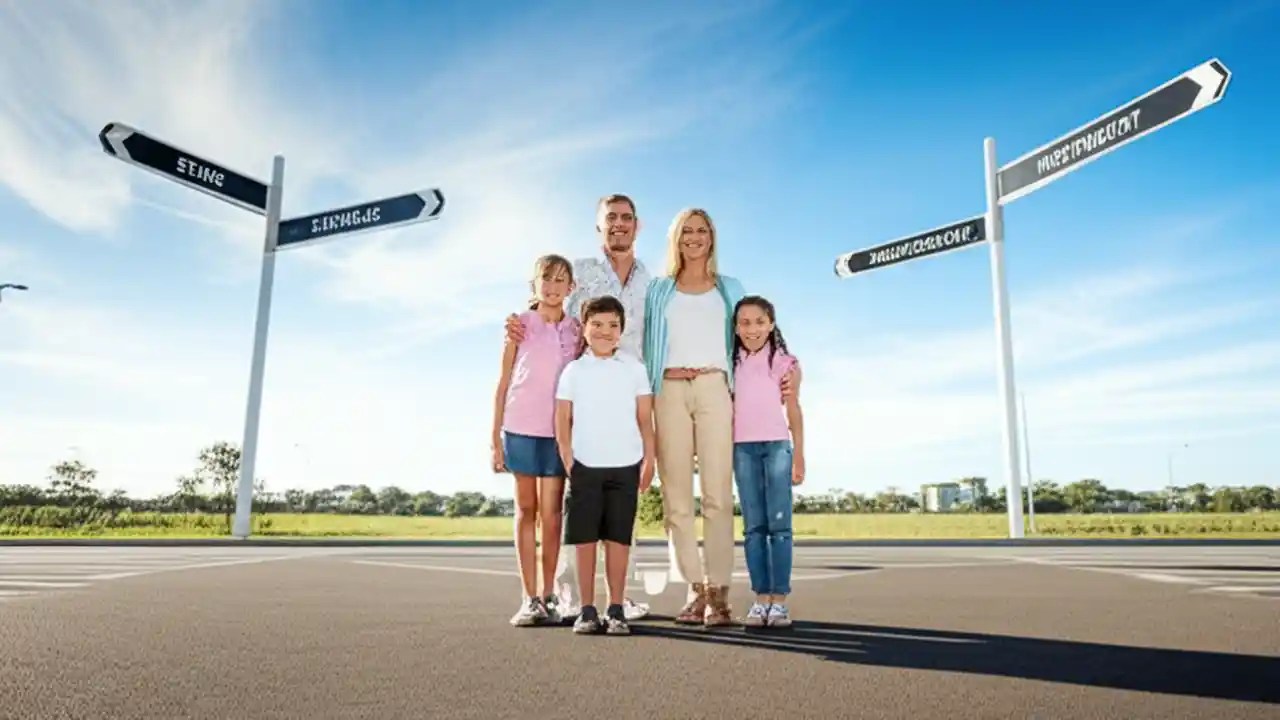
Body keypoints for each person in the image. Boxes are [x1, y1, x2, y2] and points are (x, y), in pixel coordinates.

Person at [643, 208, 801, 626]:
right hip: (669, 391)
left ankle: (719, 592)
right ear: (675, 239)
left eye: (702, 231)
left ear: (711, 238)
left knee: (717, 497)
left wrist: (784, 374)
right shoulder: (659, 290)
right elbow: (642, 342)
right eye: (686, 231)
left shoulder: (730, 288)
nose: (694, 238)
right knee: (677, 501)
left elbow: (755, 334)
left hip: (716, 389)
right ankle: (694, 590)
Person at [505, 193, 652, 622]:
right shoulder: (581, 271)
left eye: (626, 218)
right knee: (575, 501)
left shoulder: (651, 280)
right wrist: (519, 320)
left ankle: (620, 598)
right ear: (599, 226)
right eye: (611, 219)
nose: (619, 224)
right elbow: (549, 303)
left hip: (626, 393)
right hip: (576, 395)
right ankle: (565, 595)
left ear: (637, 225)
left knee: (620, 502)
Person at [554, 295, 656, 635]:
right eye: (596, 324)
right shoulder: (573, 371)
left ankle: (616, 607)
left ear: (622, 330)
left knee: (618, 540)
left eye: (613, 325)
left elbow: (645, 419)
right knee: (584, 541)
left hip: (625, 466)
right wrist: (569, 458)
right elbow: (562, 419)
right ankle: (587, 609)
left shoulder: (634, 369)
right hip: (585, 466)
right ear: (584, 328)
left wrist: (649, 459)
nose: (605, 331)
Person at [491, 254, 581, 626]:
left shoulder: (576, 329)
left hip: (558, 434)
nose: (553, 286)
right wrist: (495, 439)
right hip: (521, 427)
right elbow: (502, 383)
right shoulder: (520, 325)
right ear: (534, 284)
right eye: (546, 278)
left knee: (553, 515)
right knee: (526, 511)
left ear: (571, 288)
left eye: (561, 280)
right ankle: (529, 597)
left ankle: (548, 594)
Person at [730, 295, 805, 628]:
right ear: (735, 327)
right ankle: (761, 598)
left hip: (777, 447)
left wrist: (799, 453)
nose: (752, 329)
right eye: (744, 323)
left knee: (780, 526)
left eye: (759, 322)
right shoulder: (730, 362)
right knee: (754, 528)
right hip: (742, 449)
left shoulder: (785, 362)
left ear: (771, 324)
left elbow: (793, 410)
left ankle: (780, 601)